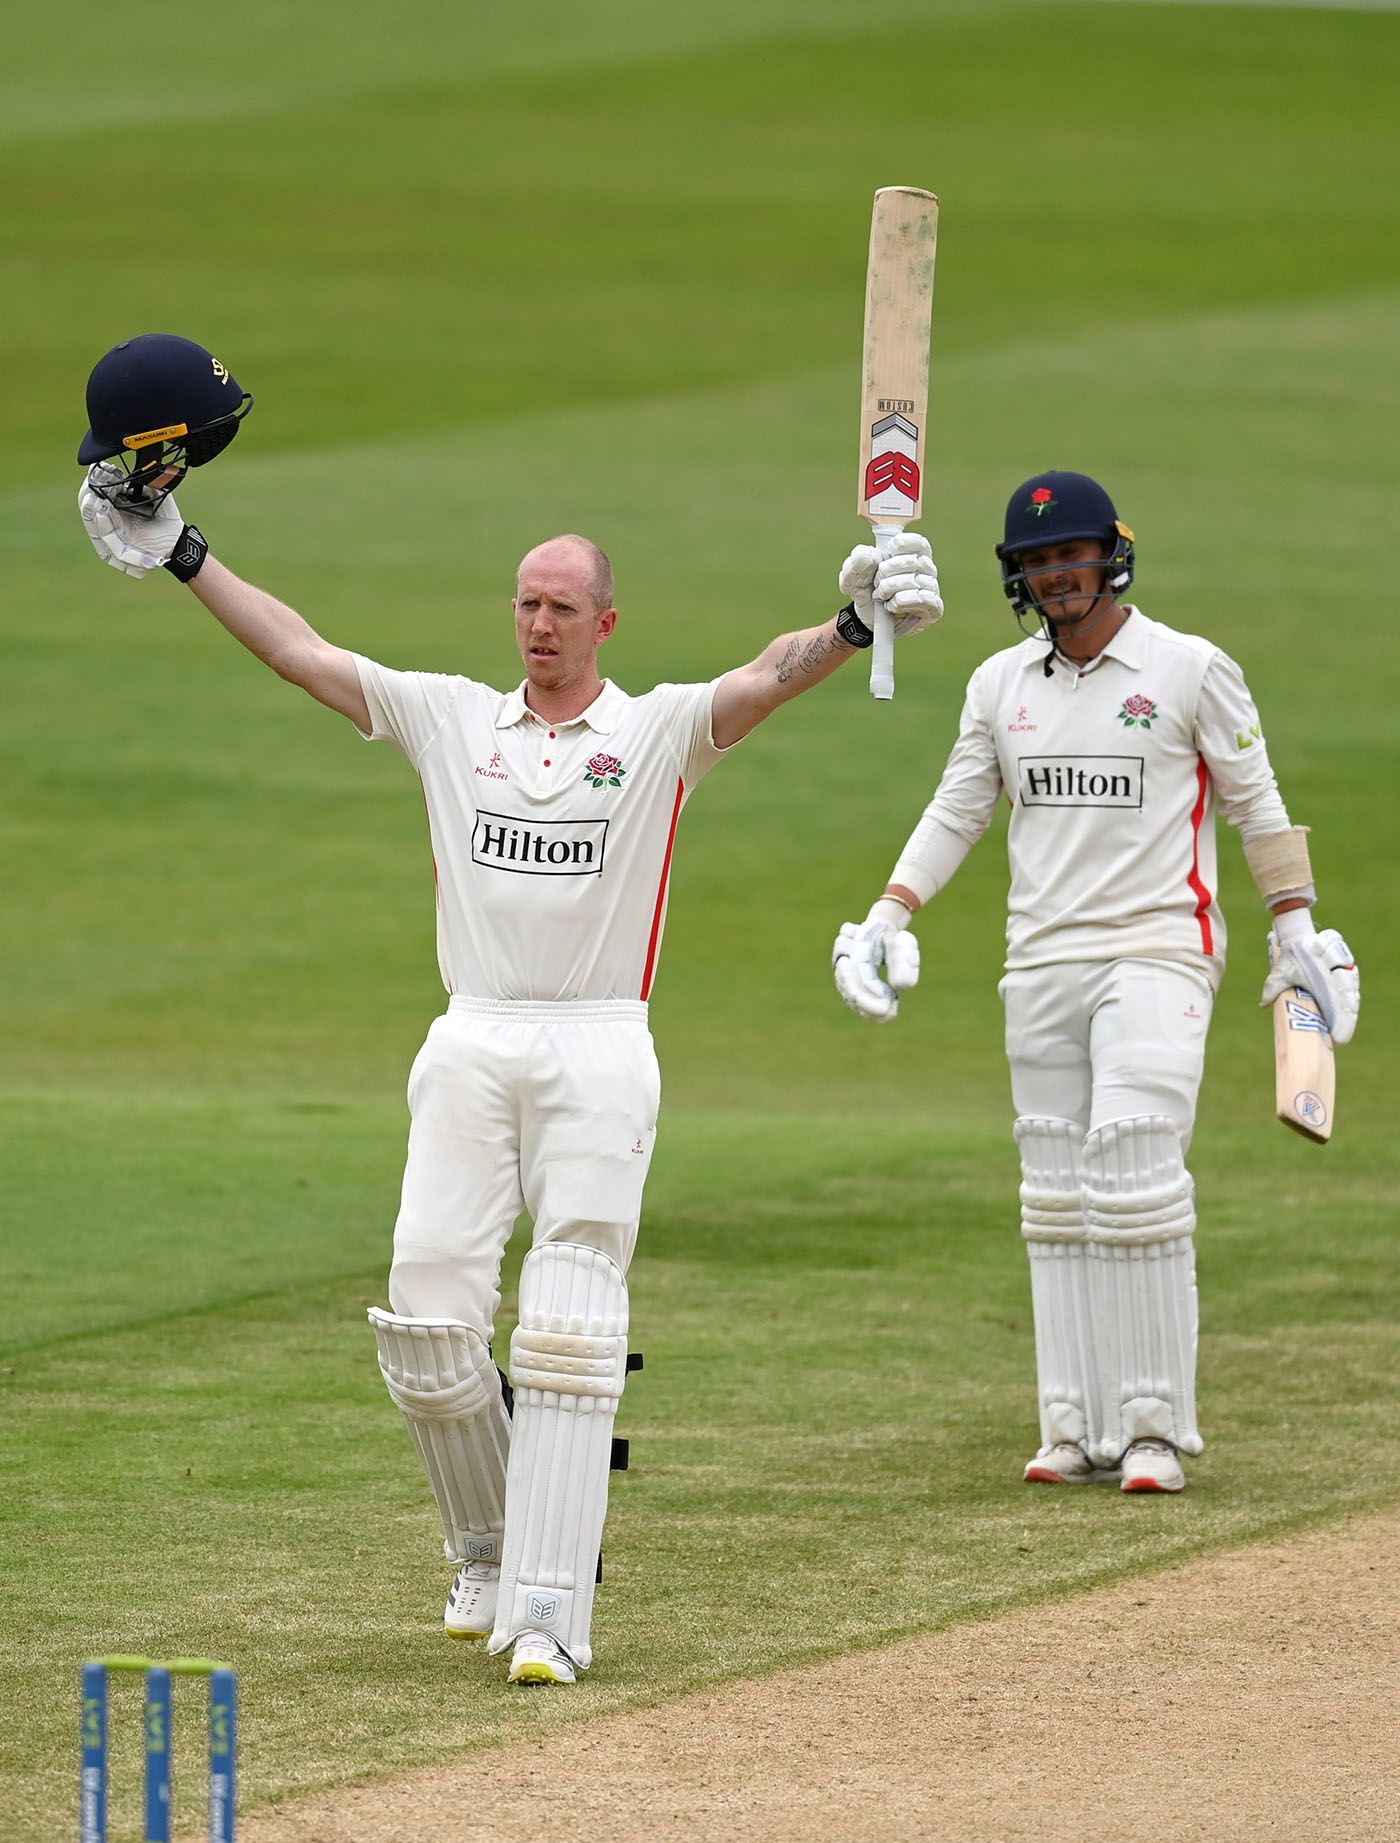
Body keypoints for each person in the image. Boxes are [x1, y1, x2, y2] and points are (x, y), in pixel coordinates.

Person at [77, 437, 943, 1680]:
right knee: (429, 1320)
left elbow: (760, 678)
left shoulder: (651, 734)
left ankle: (546, 1609)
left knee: (571, 1326)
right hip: (470, 1034)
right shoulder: (450, 720)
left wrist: (850, 626)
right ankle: (485, 1545)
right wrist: (188, 557)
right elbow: (299, 650)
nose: (537, 625)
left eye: (559, 607)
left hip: (598, 1044)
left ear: (604, 619)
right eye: (524, 604)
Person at [832, 470, 1360, 1494]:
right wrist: (887, 911)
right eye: (1034, 562)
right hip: (1038, 958)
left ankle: (1155, 1427)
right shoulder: (998, 685)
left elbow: (1256, 804)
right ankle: (1071, 1425)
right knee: (1054, 1193)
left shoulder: (1188, 668)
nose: (1054, 575)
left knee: (1132, 1170)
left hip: (1157, 949)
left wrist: (1296, 929)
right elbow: (956, 810)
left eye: (1068, 555)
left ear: (1109, 555)